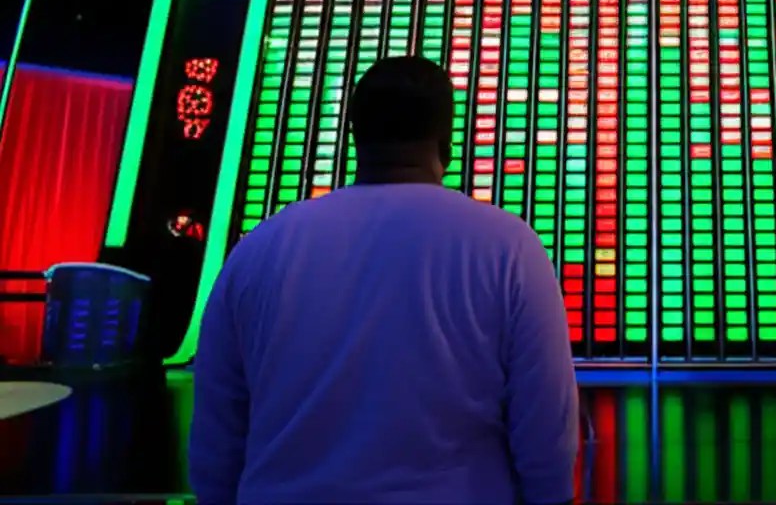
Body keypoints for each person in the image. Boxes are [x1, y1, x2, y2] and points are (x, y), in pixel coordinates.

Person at [190, 56, 579, 504]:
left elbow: (217, 432)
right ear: (447, 142)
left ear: (355, 136)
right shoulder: (508, 245)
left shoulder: (260, 248)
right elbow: (546, 422)